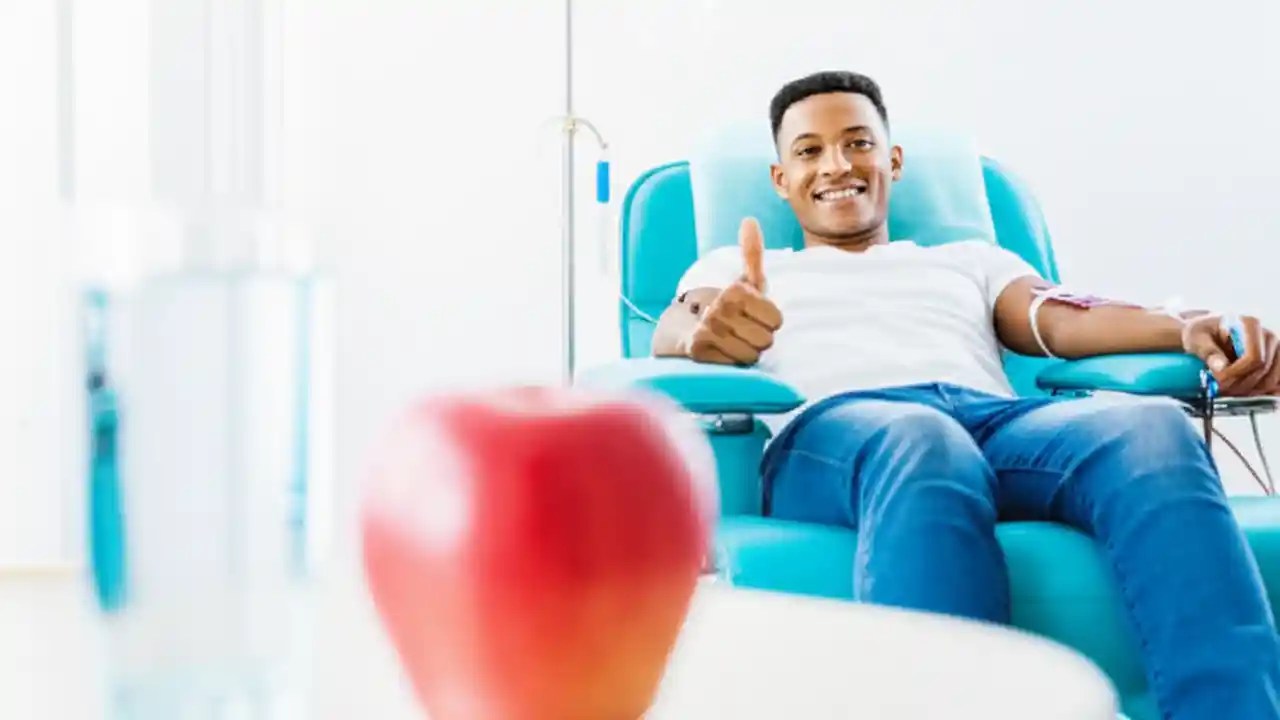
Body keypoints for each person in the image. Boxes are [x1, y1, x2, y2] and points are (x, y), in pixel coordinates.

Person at [651, 70, 1280, 720]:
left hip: (993, 423)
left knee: (1152, 429)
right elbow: (680, 325)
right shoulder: (741, 270)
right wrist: (708, 333)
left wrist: (1185, 327)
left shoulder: (971, 259)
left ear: (893, 160)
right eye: (809, 151)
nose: (836, 164)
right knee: (924, 439)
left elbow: (1064, 319)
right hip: (839, 435)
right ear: (782, 179)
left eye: (858, 143)